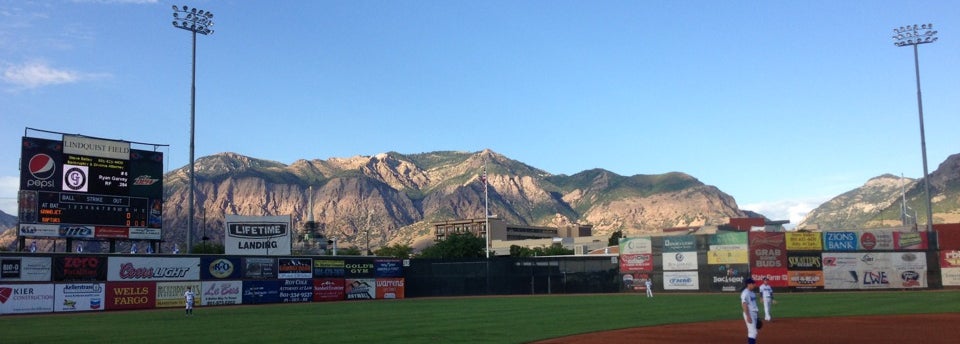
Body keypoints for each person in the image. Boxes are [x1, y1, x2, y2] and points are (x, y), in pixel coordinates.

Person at [741, 277, 759, 344]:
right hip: (749, 313)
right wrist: (748, 316)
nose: (754, 285)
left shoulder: (752, 293)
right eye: (753, 283)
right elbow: (744, 305)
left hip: (754, 313)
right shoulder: (745, 293)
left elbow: (754, 304)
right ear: (749, 284)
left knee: (752, 332)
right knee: (753, 332)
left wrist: (757, 316)